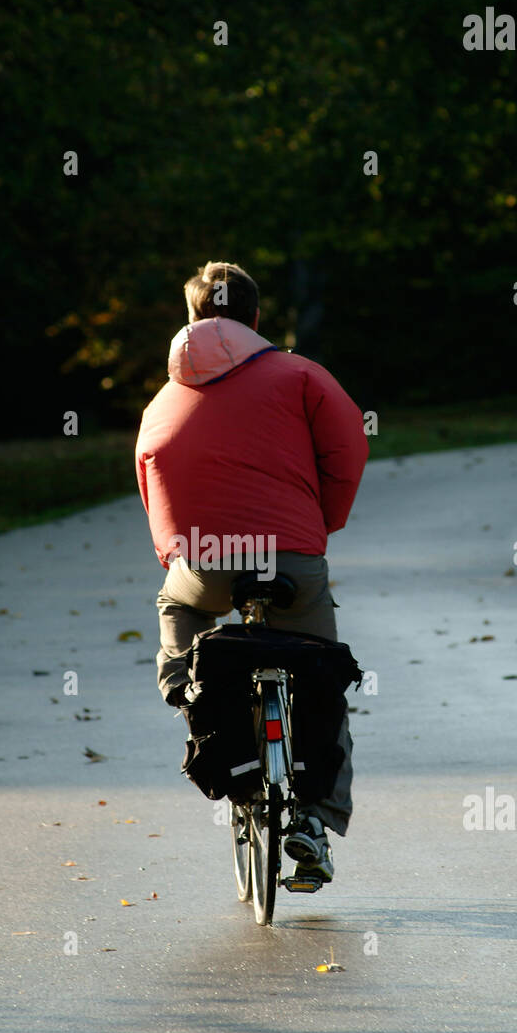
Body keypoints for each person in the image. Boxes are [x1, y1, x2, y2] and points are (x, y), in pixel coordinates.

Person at [135, 261, 368, 883]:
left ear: (190, 317)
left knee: (179, 610)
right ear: (256, 318)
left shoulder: (163, 397)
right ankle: (314, 819)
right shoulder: (301, 375)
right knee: (321, 671)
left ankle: (193, 696)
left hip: (202, 561)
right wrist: (322, 526)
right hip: (288, 558)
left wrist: (175, 554)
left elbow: (151, 474)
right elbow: (348, 448)